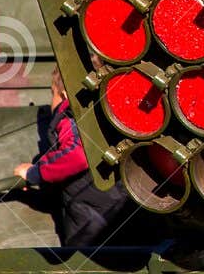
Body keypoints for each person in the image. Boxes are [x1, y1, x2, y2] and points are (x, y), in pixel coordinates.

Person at [14, 70, 134, 248]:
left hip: (91, 213)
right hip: (115, 205)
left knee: (83, 260)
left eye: (51, 94)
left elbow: (77, 155)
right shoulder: (106, 112)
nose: (51, 101)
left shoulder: (70, 117)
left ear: (63, 95)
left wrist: (34, 173)